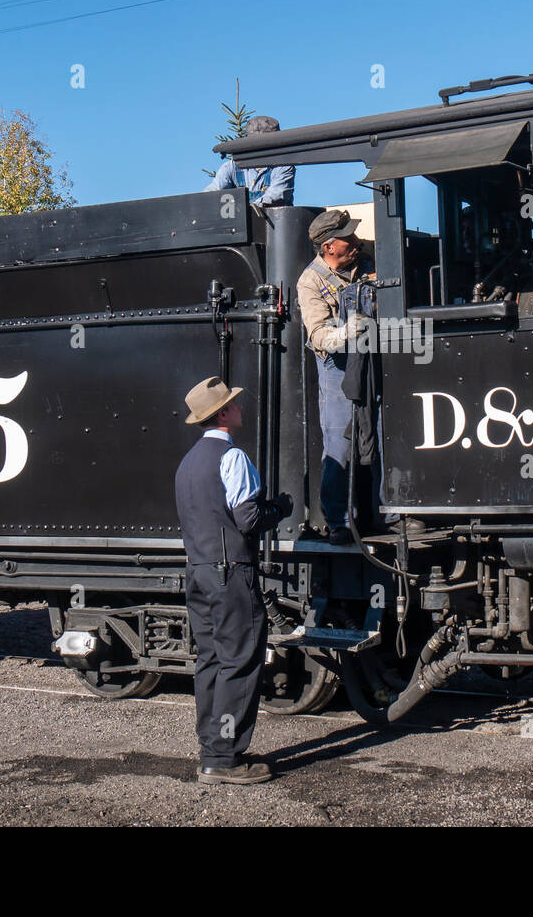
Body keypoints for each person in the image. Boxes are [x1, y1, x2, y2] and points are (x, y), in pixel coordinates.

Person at [174, 376, 292, 785]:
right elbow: (248, 519)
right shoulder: (232, 457)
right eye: (234, 403)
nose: (240, 407)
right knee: (240, 660)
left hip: (199, 571)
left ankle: (213, 748)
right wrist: (280, 508)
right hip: (231, 570)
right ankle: (224, 760)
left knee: (210, 660)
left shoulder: (188, 463)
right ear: (223, 413)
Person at [295, 209, 374, 545]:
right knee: (339, 447)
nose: (356, 241)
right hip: (337, 368)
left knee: (377, 437)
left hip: (374, 359)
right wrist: (345, 333)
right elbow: (317, 335)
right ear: (329, 247)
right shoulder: (310, 281)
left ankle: (387, 512)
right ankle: (338, 521)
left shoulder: (365, 258)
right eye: (348, 237)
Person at [205, 115, 296, 208]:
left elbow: (276, 195)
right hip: (241, 221)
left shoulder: (283, 166)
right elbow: (212, 191)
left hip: (273, 221)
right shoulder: (232, 167)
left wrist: (245, 209)